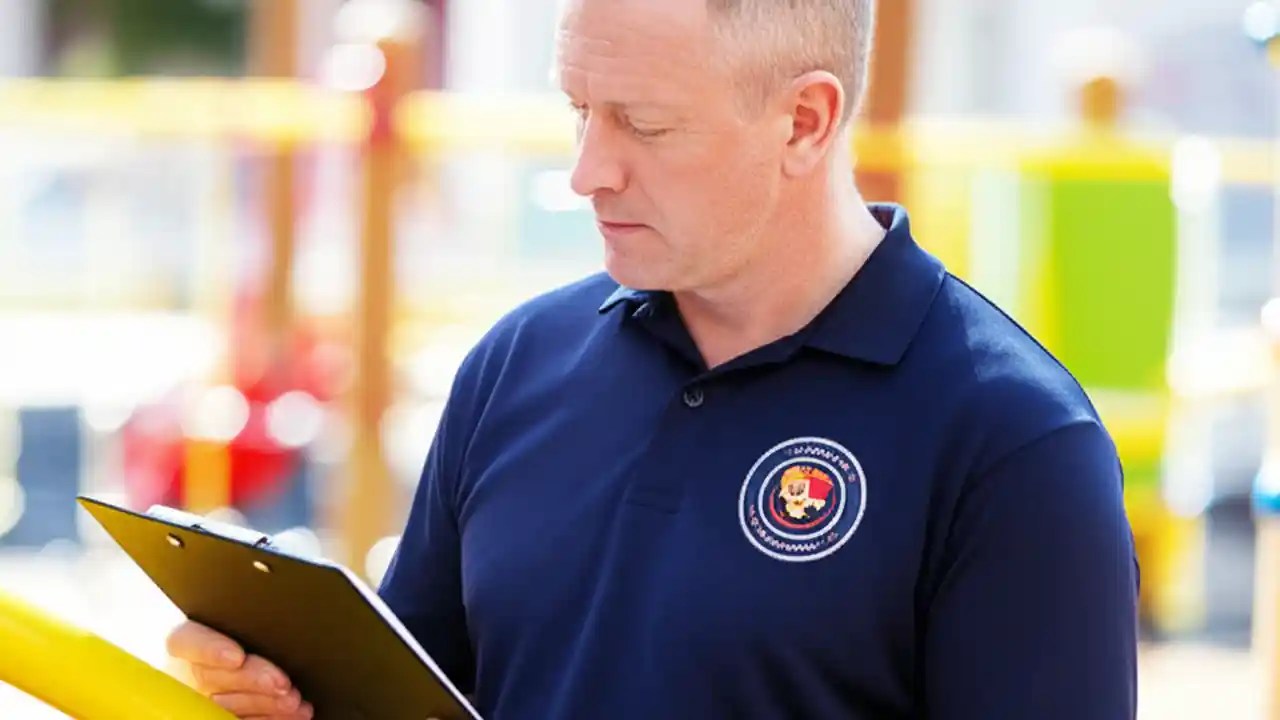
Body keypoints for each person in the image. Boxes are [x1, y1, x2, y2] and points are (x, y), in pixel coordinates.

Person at [165, 0, 1139, 717]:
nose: (588, 169)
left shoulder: (1011, 441)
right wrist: (280, 693)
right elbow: (412, 697)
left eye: (643, 123)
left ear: (803, 120)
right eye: (577, 110)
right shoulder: (515, 364)